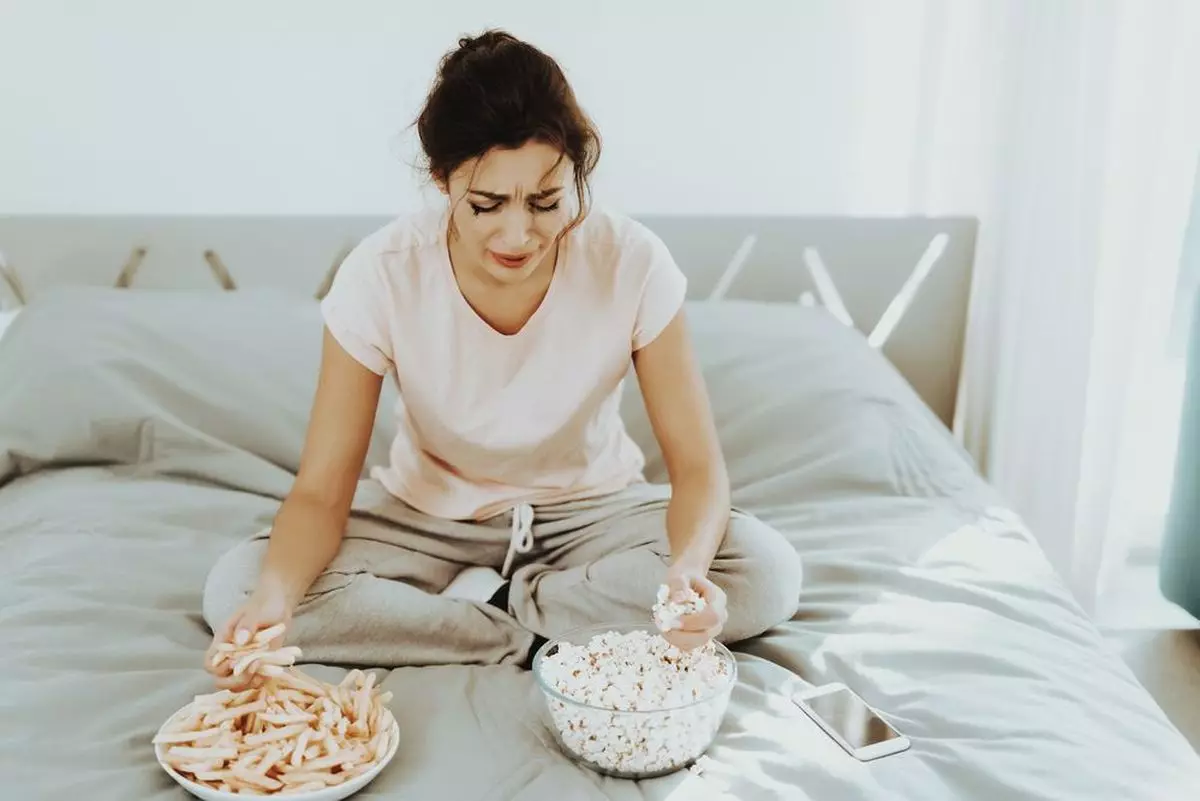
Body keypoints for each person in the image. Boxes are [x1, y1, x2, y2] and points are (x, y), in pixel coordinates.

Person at [202, 29, 802, 688]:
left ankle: (503, 606)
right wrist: (275, 602)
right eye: (486, 205)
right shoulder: (382, 274)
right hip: (426, 518)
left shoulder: (631, 260)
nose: (518, 235)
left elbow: (697, 467)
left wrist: (686, 571)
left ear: (578, 170)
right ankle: (516, 631)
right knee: (238, 589)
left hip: (592, 512)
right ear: (442, 180)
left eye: (546, 202)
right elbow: (320, 491)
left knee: (764, 571)